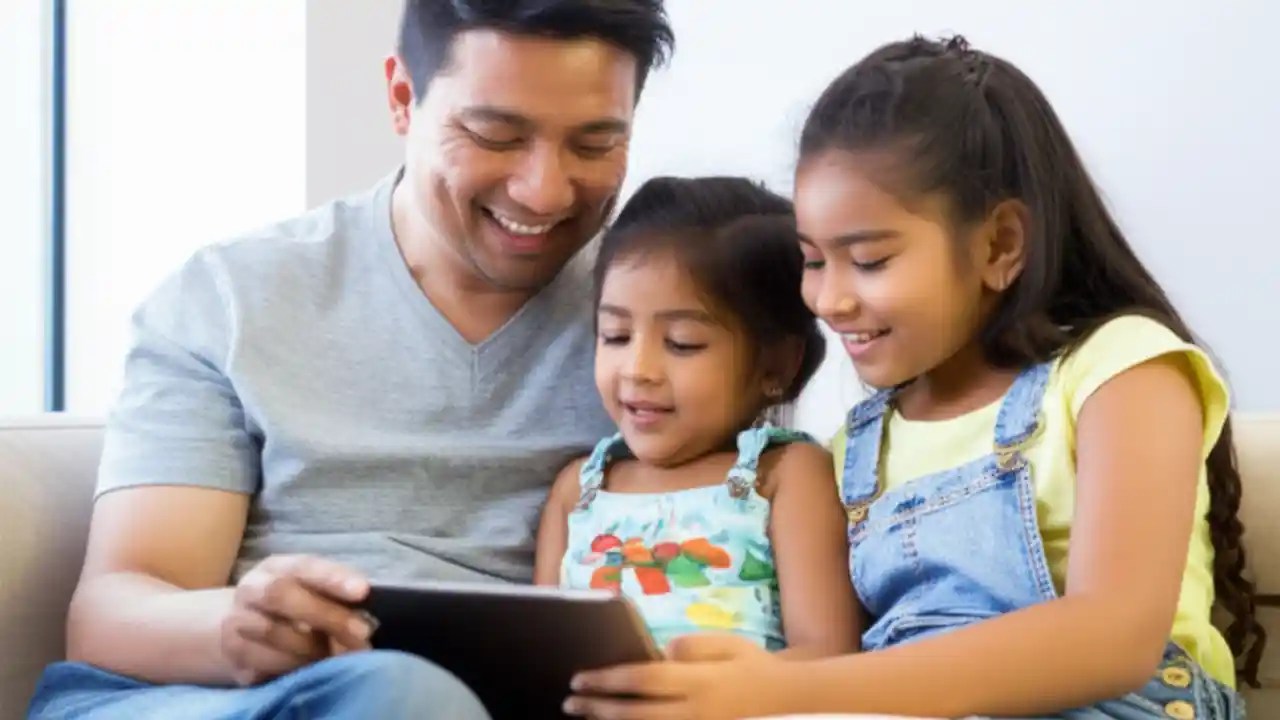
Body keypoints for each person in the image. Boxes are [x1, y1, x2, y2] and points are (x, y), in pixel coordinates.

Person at [563, 35, 1265, 719]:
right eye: (813, 260)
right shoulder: (855, 449)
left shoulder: (1121, 370)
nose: (830, 300)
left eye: (867, 261)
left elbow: (1113, 639)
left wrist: (791, 693)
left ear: (999, 244)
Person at [26, 1, 673, 718]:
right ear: (403, 98)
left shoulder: (671, 321)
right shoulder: (233, 297)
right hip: (206, 696)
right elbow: (115, 607)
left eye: (593, 145)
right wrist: (234, 627)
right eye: (495, 133)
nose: (543, 190)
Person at [534, 176, 858, 658]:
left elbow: (826, 656)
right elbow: (535, 645)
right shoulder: (578, 489)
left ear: (776, 365)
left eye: (682, 343)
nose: (638, 370)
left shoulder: (786, 476)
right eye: (616, 335)